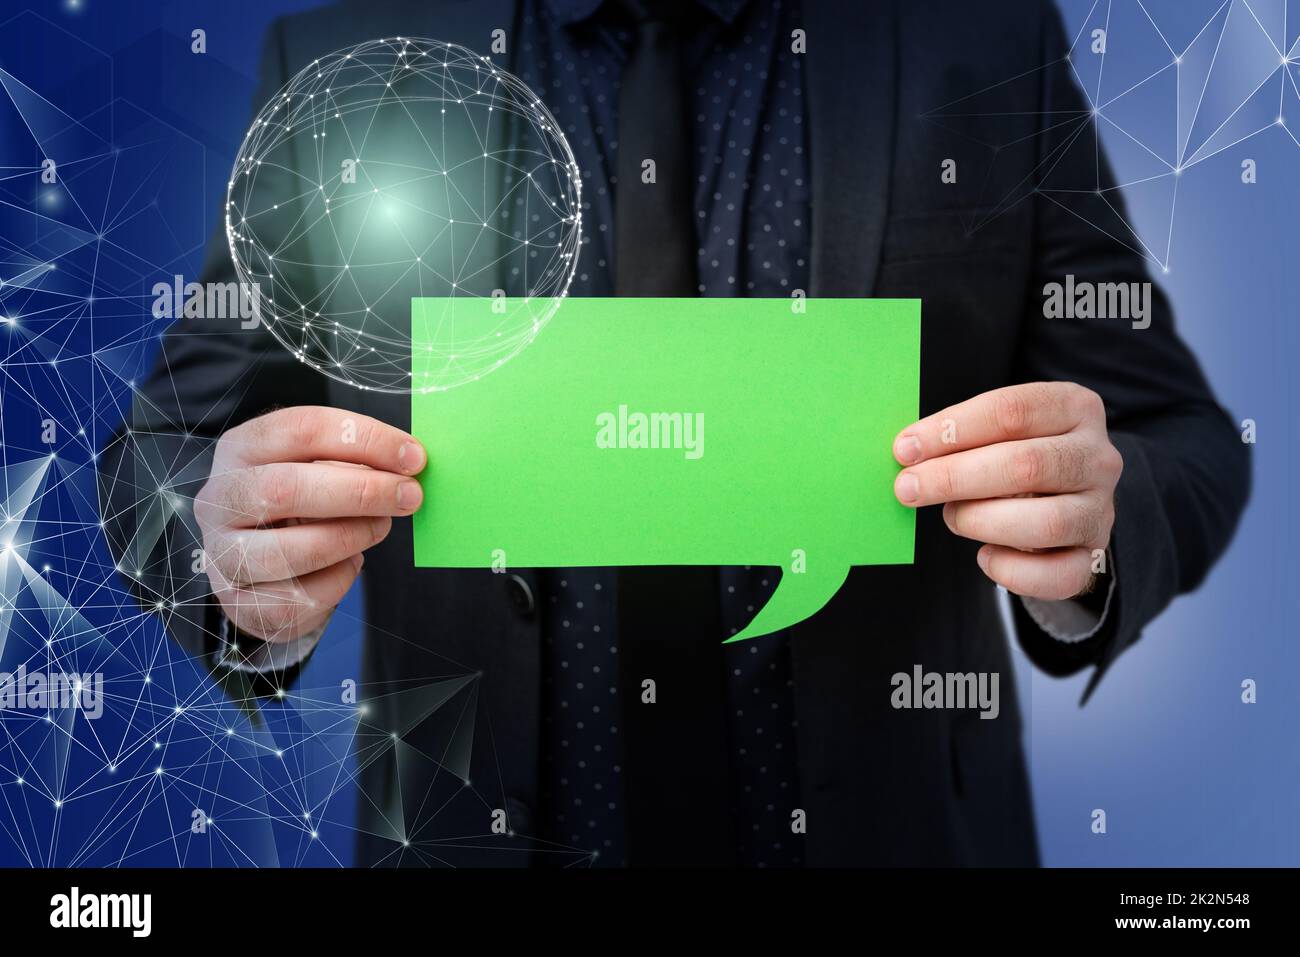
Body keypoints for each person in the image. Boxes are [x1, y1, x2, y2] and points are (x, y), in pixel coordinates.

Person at [99, 0, 1249, 867]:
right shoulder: (349, 52)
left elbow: (1177, 434)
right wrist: (224, 558)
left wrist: (1091, 539)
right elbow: (164, 450)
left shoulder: (981, 39)